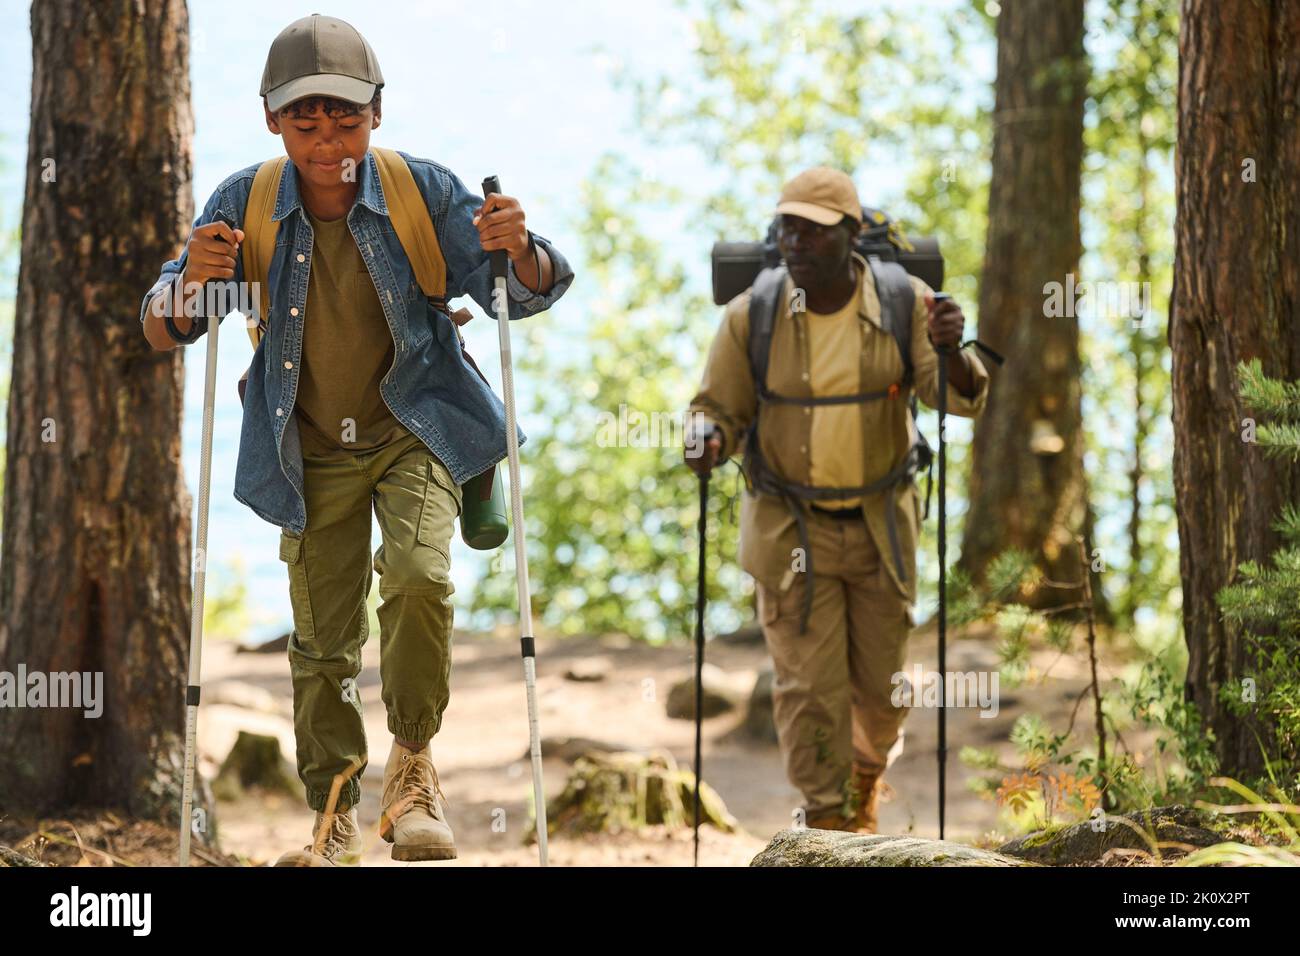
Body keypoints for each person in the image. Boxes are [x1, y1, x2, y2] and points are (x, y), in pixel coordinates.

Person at [139, 14, 574, 865]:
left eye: (347, 118)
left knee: (419, 578)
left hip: (416, 427)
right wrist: (191, 280)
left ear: (378, 111)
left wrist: (520, 250)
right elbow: (166, 329)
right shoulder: (245, 201)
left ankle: (413, 770)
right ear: (273, 119)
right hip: (304, 447)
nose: (328, 138)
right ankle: (334, 811)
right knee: (323, 642)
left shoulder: (421, 189)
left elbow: (518, 295)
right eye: (306, 121)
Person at [684, 167, 988, 832]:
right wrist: (703, 439)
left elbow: (954, 394)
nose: (793, 242)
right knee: (807, 692)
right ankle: (828, 823)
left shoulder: (901, 299)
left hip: (882, 522)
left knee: (882, 692)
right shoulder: (754, 313)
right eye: (785, 227)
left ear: (849, 235)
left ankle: (864, 782)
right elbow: (716, 410)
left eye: (811, 231)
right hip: (790, 530)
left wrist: (951, 349)